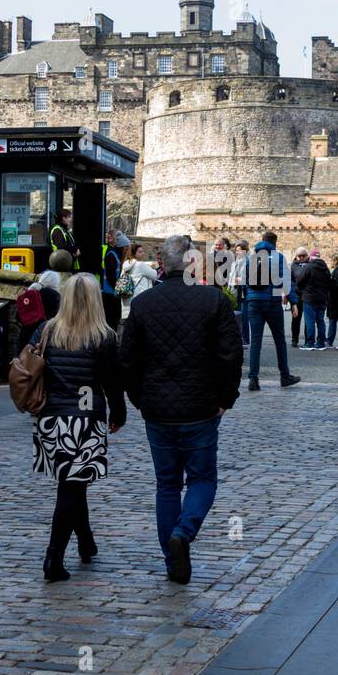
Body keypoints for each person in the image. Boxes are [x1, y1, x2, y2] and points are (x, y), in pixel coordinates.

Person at [121, 235, 243, 583]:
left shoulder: (143, 305)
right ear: (192, 264)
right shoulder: (213, 301)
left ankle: (171, 558)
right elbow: (230, 356)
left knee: (167, 484)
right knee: (202, 479)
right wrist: (226, 398)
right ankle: (183, 534)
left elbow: (127, 360)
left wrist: (139, 399)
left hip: (158, 409)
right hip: (201, 408)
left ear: (163, 264)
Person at [31, 273, 126, 582]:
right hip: (85, 419)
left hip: (51, 416)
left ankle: (86, 541)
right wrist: (119, 411)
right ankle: (53, 557)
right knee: (71, 487)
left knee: (74, 483)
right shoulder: (104, 335)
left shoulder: (46, 330)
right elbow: (112, 381)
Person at [243, 231, 300, 390]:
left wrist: (250, 296)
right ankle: (284, 376)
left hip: (254, 302)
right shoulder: (278, 257)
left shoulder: (251, 258)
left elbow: (245, 280)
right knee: (279, 340)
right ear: (275, 242)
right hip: (272, 302)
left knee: (255, 342)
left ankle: (253, 379)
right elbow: (286, 281)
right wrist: (293, 302)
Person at [18, 268, 63, 351]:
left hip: (26, 334)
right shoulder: (55, 295)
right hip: (44, 334)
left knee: (25, 359)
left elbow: (18, 316)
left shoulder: (30, 292)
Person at [297, 249, 332, 351]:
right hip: (322, 298)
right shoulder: (325, 269)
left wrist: (301, 290)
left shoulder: (308, 267)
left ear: (311, 257)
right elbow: (329, 283)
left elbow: (299, 280)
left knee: (310, 321)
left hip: (309, 298)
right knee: (320, 321)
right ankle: (321, 343)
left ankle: (310, 343)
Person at [121, 242, 159, 320]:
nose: (143, 253)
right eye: (140, 252)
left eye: (143, 251)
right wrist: (151, 268)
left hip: (127, 296)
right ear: (134, 254)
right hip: (139, 296)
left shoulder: (126, 264)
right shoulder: (140, 265)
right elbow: (154, 275)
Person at [100, 230, 129, 331]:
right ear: (122, 247)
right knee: (111, 321)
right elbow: (110, 276)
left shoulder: (115, 254)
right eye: (126, 247)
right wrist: (118, 289)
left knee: (113, 320)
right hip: (110, 294)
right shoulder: (112, 255)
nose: (127, 249)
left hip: (112, 292)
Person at [229, 240, 251, 347]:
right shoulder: (234, 263)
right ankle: (238, 338)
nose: (237, 252)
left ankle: (245, 339)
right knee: (235, 317)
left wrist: (242, 280)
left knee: (244, 317)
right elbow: (231, 278)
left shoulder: (249, 262)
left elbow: (250, 278)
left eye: (239, 250)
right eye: (236, 250)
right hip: (234, 292)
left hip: (243, 293)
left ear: (245, 251)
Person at [289, 247, 310, 348]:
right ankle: (294, 339)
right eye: (299, 256)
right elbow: (290, 281)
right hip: (296, 296)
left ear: (307, 256)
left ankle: (308, 340)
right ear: (296, 257)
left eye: (303, 255)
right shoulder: (293, 266)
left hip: (308, 296)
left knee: (308, 319)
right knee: (296, 318)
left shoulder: (310, 265)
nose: (302, 257)